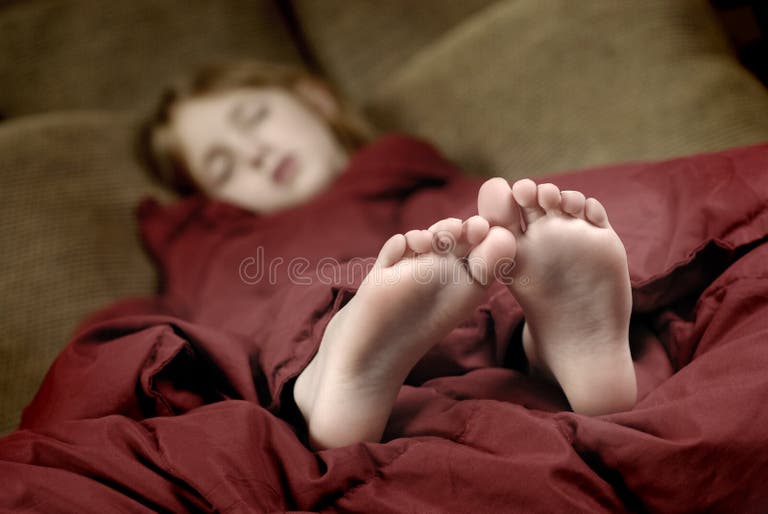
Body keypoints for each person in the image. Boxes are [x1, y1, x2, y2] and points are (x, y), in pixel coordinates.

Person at [140, 60, 637, 450]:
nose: (253, 154)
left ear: (314, 99)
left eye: (253, 117)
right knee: (266, 305)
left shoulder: (418, 176)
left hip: (446, 253)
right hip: (297, 315)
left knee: (493, 235)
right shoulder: (217, 253)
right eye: (222, 167)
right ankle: (319, 377)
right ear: (212, 199)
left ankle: (545, 346)